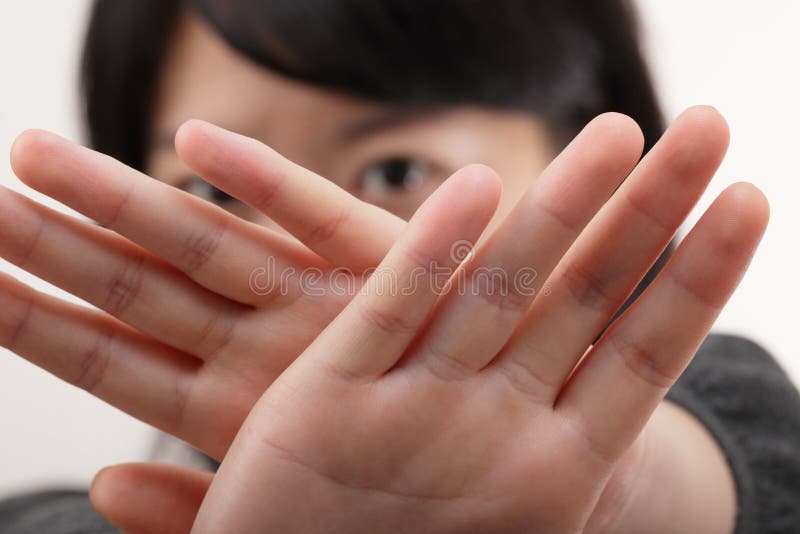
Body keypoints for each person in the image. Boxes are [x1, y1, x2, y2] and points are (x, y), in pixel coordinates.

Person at [0, 0, 798, 532]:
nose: (293, 244)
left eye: (393, 170)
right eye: (209, 188)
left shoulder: (731, 412)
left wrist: (621, 494)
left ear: (586, 174)